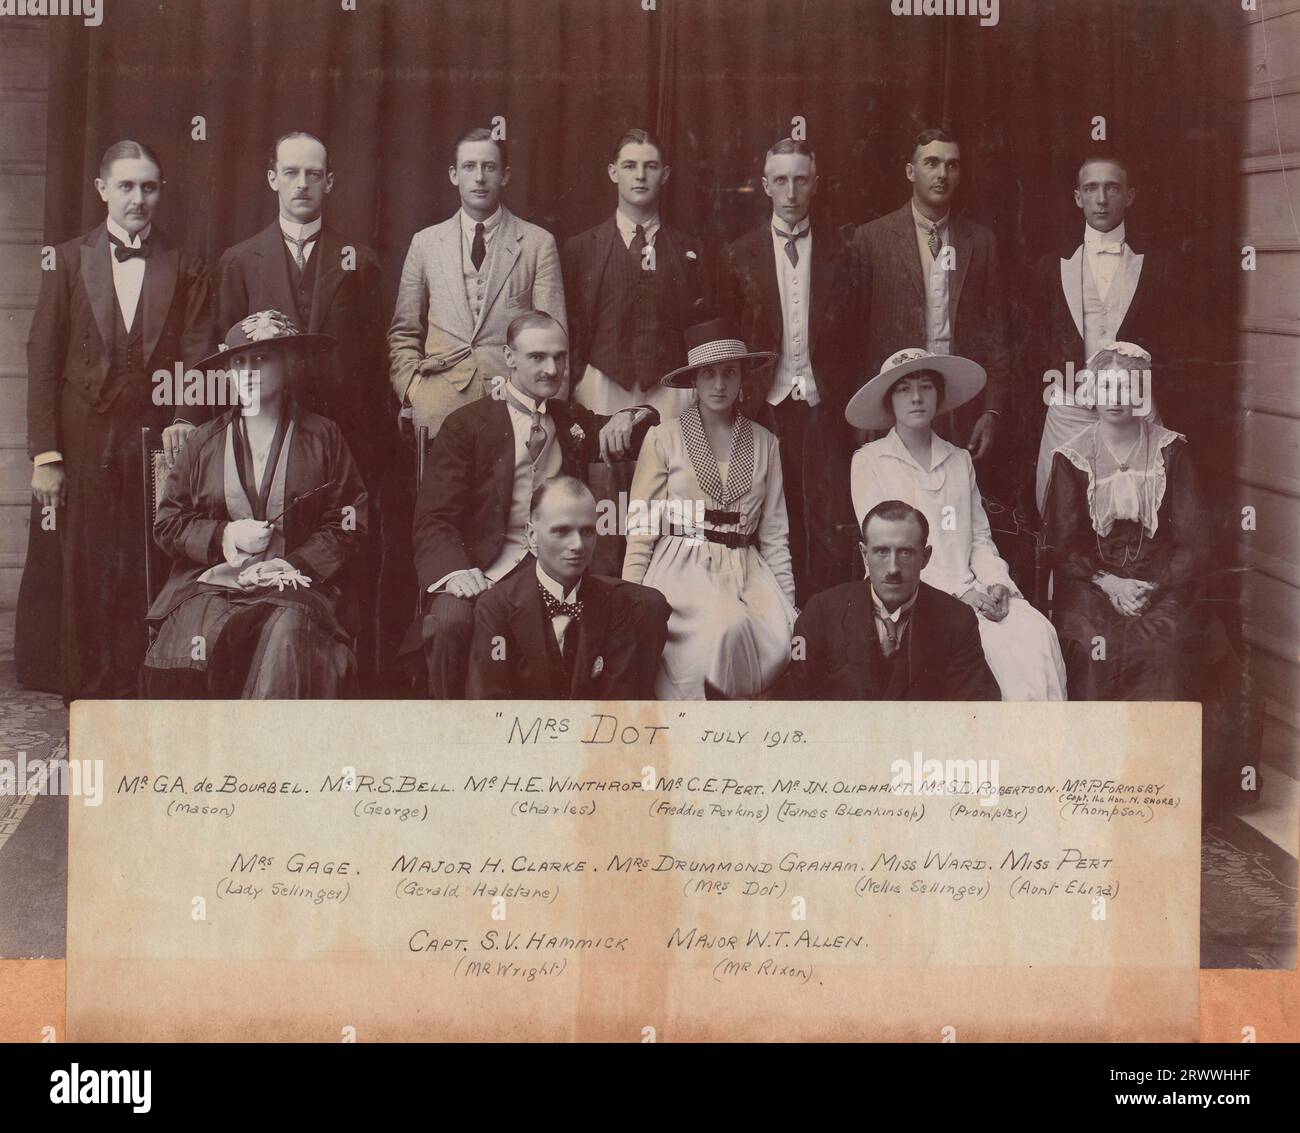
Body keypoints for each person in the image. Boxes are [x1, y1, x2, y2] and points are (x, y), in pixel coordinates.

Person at [17, 139, 214, 698]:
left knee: (148, 557)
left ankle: (141, 684)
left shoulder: (186, 263)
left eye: (149, 187)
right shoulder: (69, 258)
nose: (138, 198)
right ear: (102, 189)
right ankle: (88, 691)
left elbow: (199, 348)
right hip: (83, 441)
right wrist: (46, 455)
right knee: (85, 563)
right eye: (126, 186)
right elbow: (42, 355)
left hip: (157, 439)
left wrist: (185, 415)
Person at [216, 130, 395, 686]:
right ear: (272, 179)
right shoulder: (240, 260)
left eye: (312, 174)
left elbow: (373, 359)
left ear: (329, 182)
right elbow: (229, 362)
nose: (301, 184)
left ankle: (343, 678)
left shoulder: (360, 261)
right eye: (290, 173)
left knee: (342, 553)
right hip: (267, 441)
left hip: (344, 440)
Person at [408, 311, 657, 698]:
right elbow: (434, 520)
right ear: (509, 357)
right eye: (537, 357)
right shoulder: (467, 425)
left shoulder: (570, 419)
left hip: (559, 573)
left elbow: (641, 432)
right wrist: (456, 573)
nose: (552, 368)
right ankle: (454, 737)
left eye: (559, 357)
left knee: (648, 606)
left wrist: (632, 414)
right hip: (487, 571)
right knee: (448, 622)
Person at [142, 311, 368, 698]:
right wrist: (224, 534)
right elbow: (168, 523)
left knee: (285, 633)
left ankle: (263, 750)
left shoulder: (322, 436)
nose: (248, 370)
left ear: (288, 364)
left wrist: (293, 564)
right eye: (239, 361)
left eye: (262, 359)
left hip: (297, 585)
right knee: (197, 637)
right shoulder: (203, 442)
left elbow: (348, 520)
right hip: (211, 584)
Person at [847, 348, 1066, 700]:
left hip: (973, 587)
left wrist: (996, 583)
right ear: (890, 401)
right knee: (987, 649)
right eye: (904, 389)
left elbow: (978, 538)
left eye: (926, 387)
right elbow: (887, 551)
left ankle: (1036, 749)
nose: (916, 397)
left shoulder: (958, 460)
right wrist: (961, 595)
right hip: (904, 593)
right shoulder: (870, 462)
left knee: (1034, 632)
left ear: (939, 395)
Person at [621, 319, 796, 699]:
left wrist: (788, 602)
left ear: (742, 379)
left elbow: (775, 535)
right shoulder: (664, 437)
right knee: (724, 626)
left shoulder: (766, 443)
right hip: (683, 569)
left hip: (747, 570)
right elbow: (641, 527)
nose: (719, 385)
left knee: (781, 637)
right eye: (709, 374)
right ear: (694, 381)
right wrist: (631, 602)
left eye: (729, 373)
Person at [717, 137, 857, 602]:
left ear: (815, 183)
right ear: (764, 186)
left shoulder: (844, 249)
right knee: (770, 520)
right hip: (764, 407)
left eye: (800, 179)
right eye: (781, 180)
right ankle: (776, 622)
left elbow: (859, 330)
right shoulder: (740, 253)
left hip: (825, 408)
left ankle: (824, 622)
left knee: (828, 523)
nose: (791, 191)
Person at [1043, 345, 1204, 700]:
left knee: (1163, 649)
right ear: (1091, 392)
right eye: (1106, 387)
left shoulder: (1171, 450)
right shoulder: (1072, 458)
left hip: (1158, 582)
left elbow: (1194, 543)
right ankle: (1097, 750)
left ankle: (1152, 752)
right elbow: (1062, 545)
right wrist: (1111, 584)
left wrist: (1152, 586)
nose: (1115, 399)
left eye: (1126, 387)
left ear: (1142, 391)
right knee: (1092, 647)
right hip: (1094, 582)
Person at [388, 127, 567, 439]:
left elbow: (556, 337)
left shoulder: (538, 243)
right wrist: (413, 390)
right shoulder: (425, 243)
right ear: (454, 175)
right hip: (438, 406)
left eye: (489, 167)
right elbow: (404, 332)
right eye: (469, 167)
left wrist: (551, 410)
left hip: (515, 407)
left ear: (505, 175)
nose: (480, 178)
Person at [1027, 155, 1179, 513]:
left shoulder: (1158, 265)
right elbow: (1033, 341)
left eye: (1112, 188)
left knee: (1139, 503)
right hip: (1069, 403)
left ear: (1130, 196)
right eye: (1091, 188)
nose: (1101, 199)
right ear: (1078, 197)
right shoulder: (1050, 266)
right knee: (1058, 505)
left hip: (1135, 404)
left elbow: (1174, 344)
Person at [848, 127, 1009, 462]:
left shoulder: (981, 242)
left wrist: (991, 411)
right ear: (910, 171)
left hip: (961, 407)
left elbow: (997, 336)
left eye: (952, 165)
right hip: (894, 408)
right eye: (931, 163)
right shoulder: (872, 239)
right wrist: (865, 411)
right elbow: (855, 333)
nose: (942, 174)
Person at [466, 477, 670, 699]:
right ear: (532, 536)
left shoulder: (615, 605)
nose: (578, 545)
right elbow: (490, 705)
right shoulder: (496, 608)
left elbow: (617, 701)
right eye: (562, 531)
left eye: (587, 532)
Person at [782, 500, 1001, 700]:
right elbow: (796, 701)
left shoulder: (958, 620)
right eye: (881, 552)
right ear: (864, 554)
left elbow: (976, 711)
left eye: (905, 553)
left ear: (925, 557)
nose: (893, 568)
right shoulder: (820, 612)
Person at [562, 128, 709, 420]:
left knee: (669, 464)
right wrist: (579, 380)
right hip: (601, 385)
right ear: (613, 172)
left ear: (665, 174)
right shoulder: (580, 248)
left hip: (671, 389)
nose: (640, 175)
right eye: (630, 166)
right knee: (602, 464)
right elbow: (570, 325)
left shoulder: (691, 251)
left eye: (650, 166)